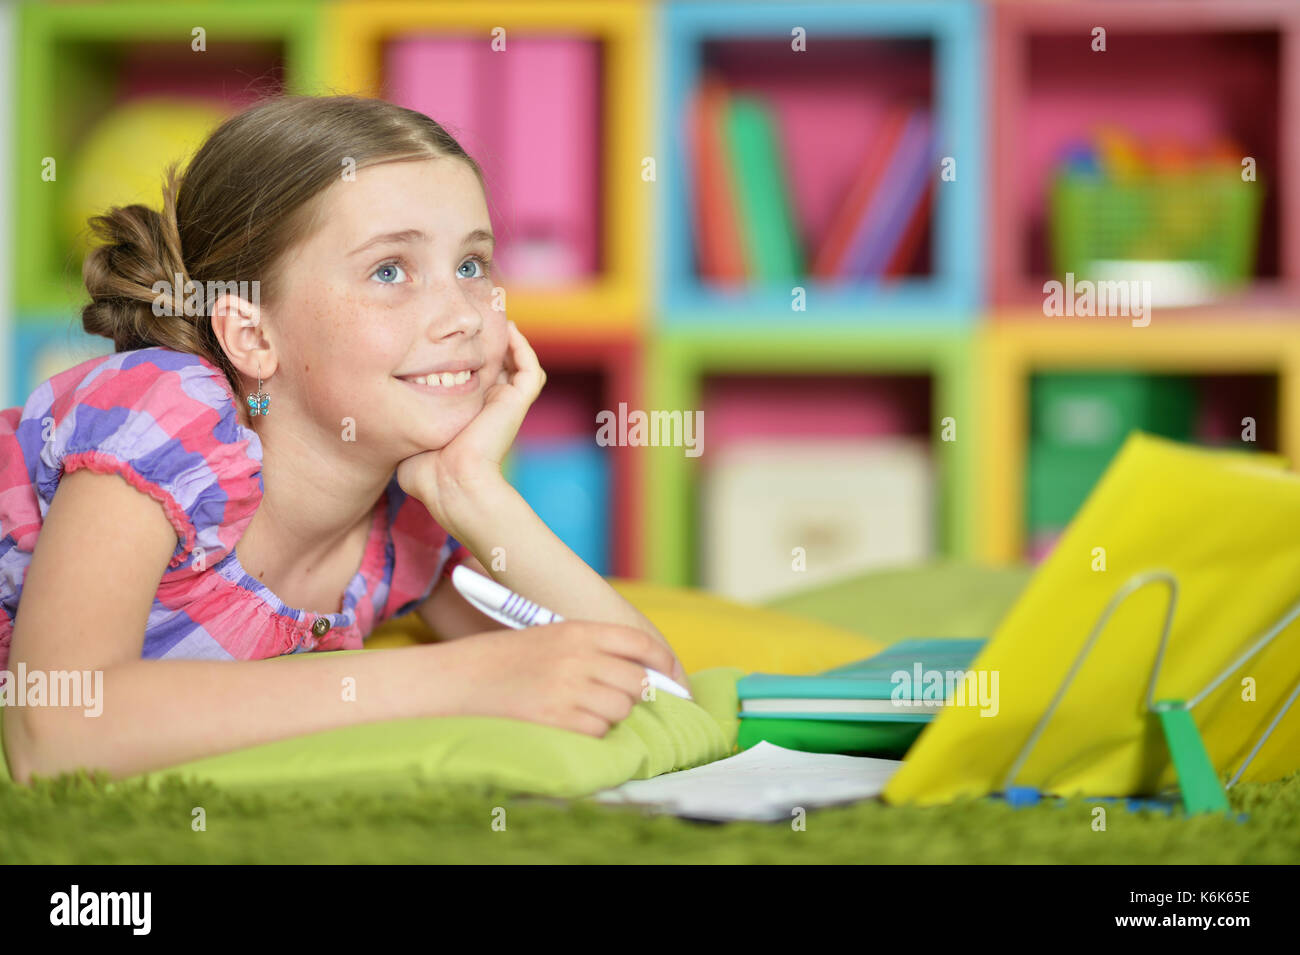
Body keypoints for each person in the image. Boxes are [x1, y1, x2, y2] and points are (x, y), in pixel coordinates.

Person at [0, 94, 688, 785]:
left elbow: (653, 693)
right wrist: (458, 677)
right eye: (390, 270)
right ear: (253, 336)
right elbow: (53, 729)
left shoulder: (407, 530)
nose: (463, 316)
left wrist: (474, 491)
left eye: (472, 266)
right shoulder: (162, 418)